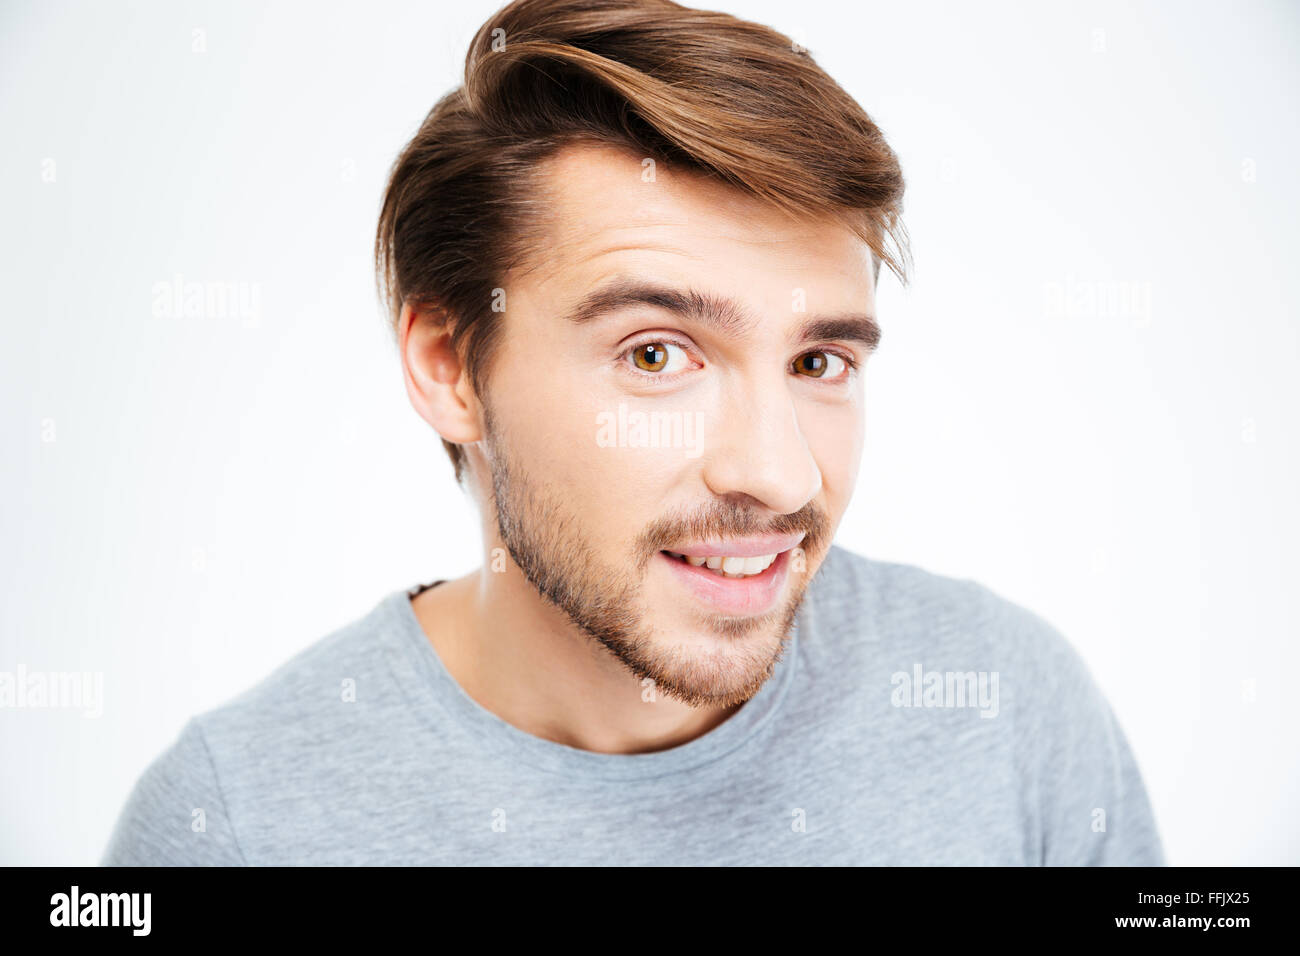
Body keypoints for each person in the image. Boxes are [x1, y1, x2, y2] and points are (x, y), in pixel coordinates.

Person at [102, 0, 1164, 866]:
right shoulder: (234, 823)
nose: (777, 471)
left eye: (818, 361)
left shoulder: (1009, 709)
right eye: (656, 355)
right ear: (447, 365)